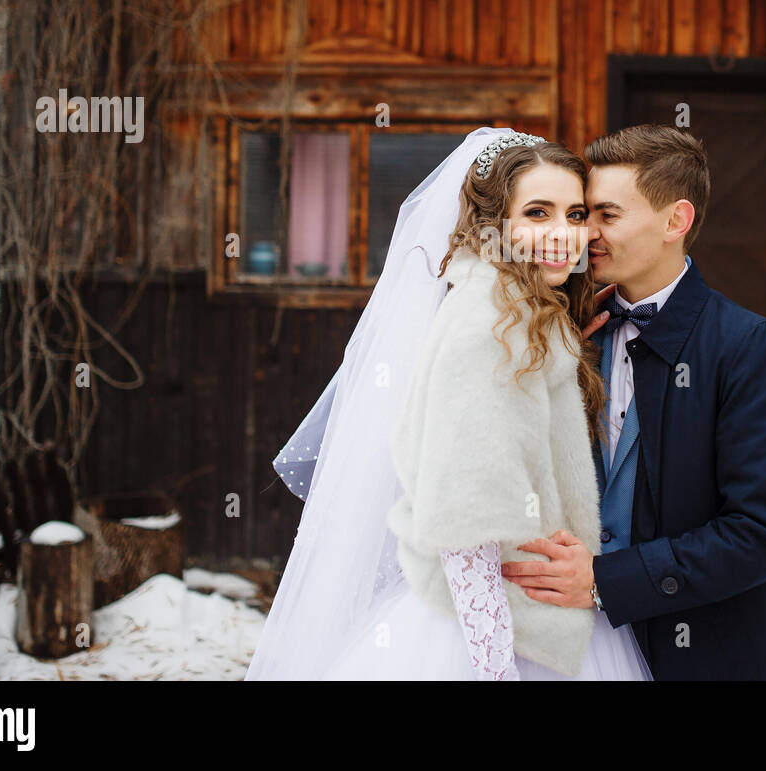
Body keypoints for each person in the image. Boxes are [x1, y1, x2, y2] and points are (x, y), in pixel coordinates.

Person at [245, 128, 651, 680]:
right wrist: (493, 665)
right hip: (492, 630)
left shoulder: (521, 316)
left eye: (576, 215)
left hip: (539, 610)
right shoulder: (488, 325)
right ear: (496, 227)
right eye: (538, 213)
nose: (564, 234)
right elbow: (464, 519)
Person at [501, 123, 766, 680]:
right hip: (577, 654)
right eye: (583, 213)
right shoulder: (569, 332)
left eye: (606, 215)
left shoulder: (749, 347)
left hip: (704, 659)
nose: (585, 232)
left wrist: (604, 580)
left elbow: (761, 533)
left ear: (676, 221)